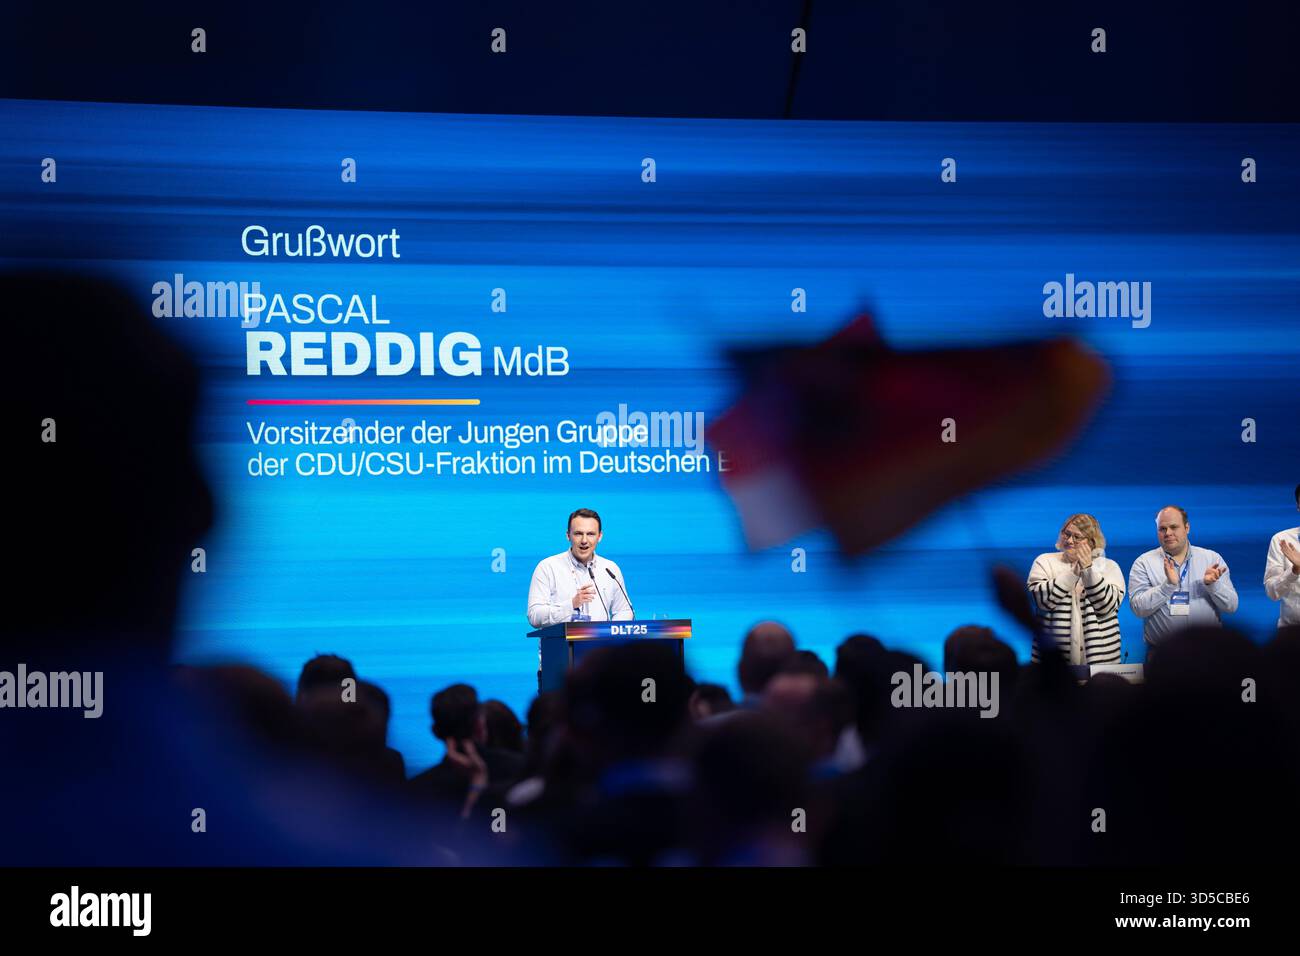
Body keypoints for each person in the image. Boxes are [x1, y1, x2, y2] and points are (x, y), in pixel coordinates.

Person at [1129, 505, 1238, 653]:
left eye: (1174, 527)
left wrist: (1213, 586)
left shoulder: (1212, 559)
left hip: (1208, 652)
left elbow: (1231, 606)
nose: (1168, 533)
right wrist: (1167, 586)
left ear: (1187, 528)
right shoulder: (1143, 563)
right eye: (1162, 529)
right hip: (1162, 656)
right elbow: (1138, 609)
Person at [1026, 514, 1125, 664]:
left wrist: (1088, 571)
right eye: (1067, 534)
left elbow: (1106, 607)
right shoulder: (1044, 561)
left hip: (1101, 664)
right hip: (1053, 664)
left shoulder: (1110, 567)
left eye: (1077, 537)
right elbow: (1041, 601)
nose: (1070, 540)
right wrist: (1073, 574)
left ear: (1092, 542)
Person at [526, 508, 633, 627]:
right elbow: (534, 616)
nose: (584, 540)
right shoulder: (548, 567)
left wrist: (610, 633)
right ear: (568, 535)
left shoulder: (610, 569)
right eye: (578, 534)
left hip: (602, 645)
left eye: (590, 534)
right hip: (560, 644)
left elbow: (624, 610)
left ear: (600, 536)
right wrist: (571, 605)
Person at [1263, 484, 1300, 628]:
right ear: (1298, 506)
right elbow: (1272, 593)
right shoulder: (1282, 540)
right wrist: (1294, 571)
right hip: (1293, 632)